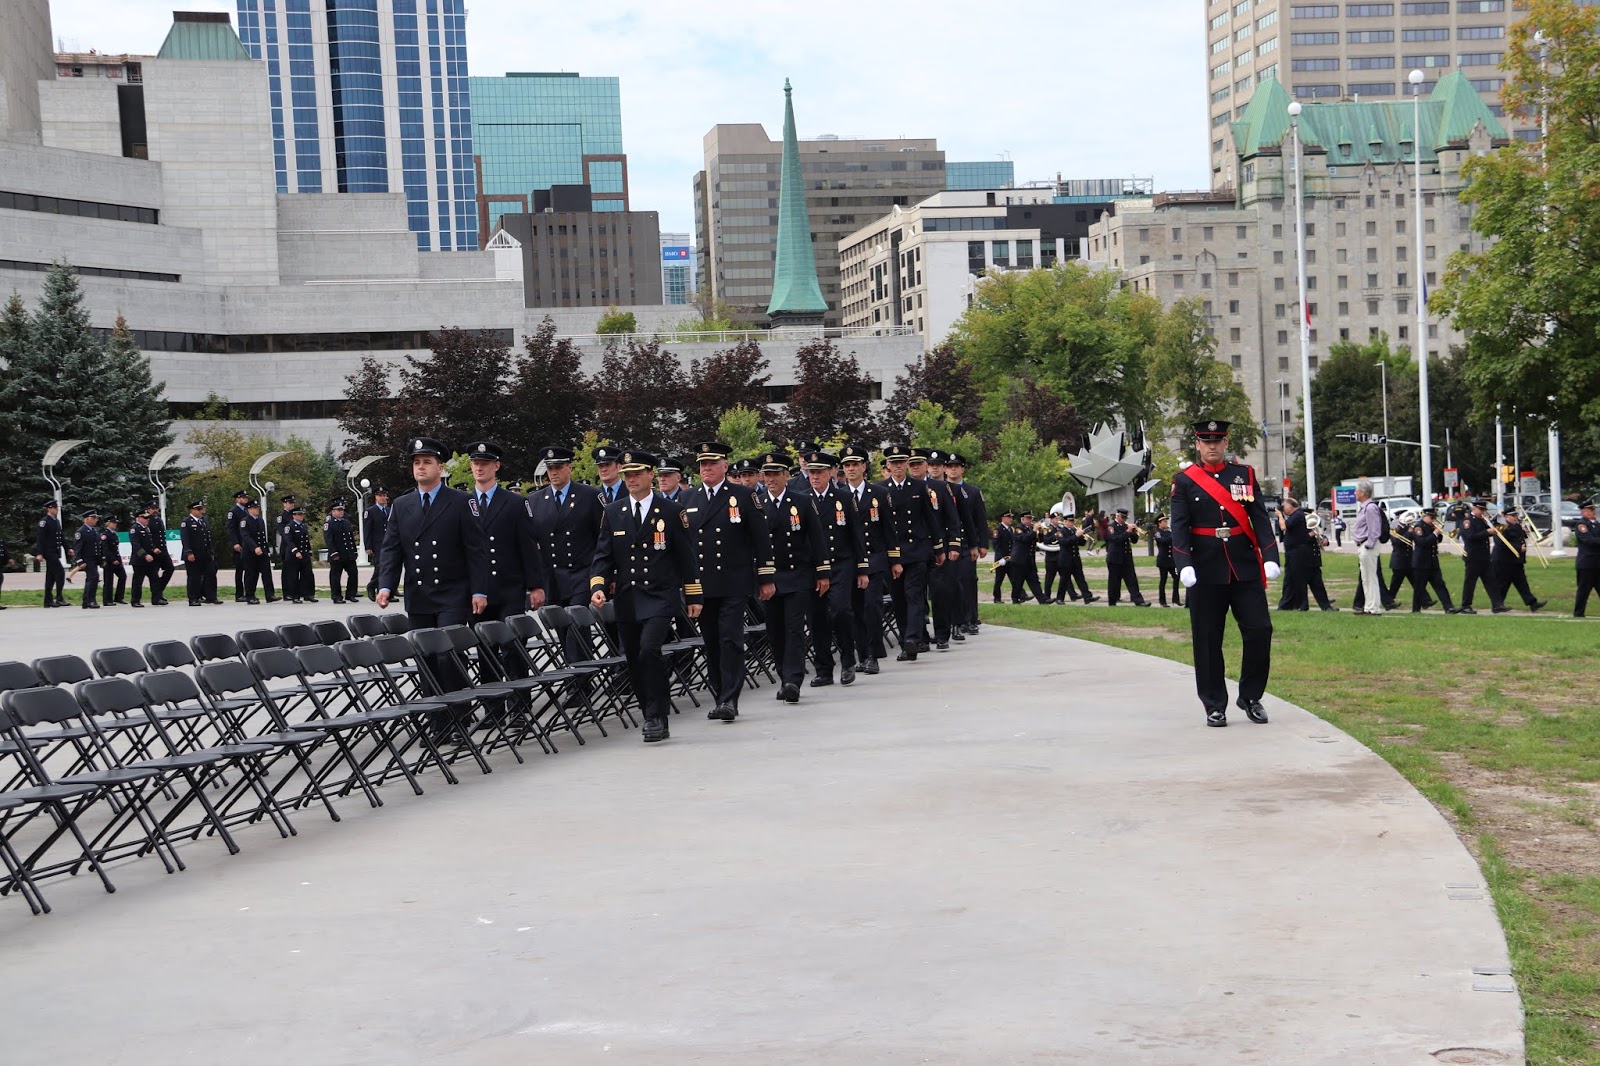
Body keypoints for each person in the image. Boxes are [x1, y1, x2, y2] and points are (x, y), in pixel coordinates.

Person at [1170, 419, 1280, 727]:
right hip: (1204, 570)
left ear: (1226, 443)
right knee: (1207, 639)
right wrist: (1184, 563)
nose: (1212, 446)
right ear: (1197, 445)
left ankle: (1251, 696)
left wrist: (1270, 556)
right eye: (1206, 441)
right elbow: (1179, 526)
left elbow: (1260, 518)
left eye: (1217, 441)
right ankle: (1214, 704)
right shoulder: (1184, 481)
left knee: (1260, 630)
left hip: (1243, 566)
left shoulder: (1244, 475)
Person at [376, 438, 491, 730]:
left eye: (427, 462)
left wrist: (479, 590)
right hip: (419, 594)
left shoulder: (461, 501)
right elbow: (391, 549)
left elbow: (476, 550)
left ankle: (459, 715)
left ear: (440, 468)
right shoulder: (402, 504)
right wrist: (386, 585)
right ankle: (437, 720)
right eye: (416, 462)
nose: (421, 467)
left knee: (448, 655)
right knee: (426, 657)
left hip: (453, 593)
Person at [588, 449, 702, 743]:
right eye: (627, 474)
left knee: (649, 650)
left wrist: (693, 595)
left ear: (651, 474)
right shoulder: (614, 512)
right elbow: (603, 556)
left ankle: (657, 715)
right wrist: (598, 586)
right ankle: (648, 710)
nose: (632, 479)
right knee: (634, 659)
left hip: (660, 595)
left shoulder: (670, 511)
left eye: (637, 473)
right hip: (628, 597)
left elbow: (686, 556)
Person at [686, 441, 775, 721]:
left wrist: (766, 577)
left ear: (725, 466)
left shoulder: (743, 496)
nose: (706, 468)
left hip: (734, 581)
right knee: (712, 642)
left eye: (712, 463)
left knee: (730, 640)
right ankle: (719, 695)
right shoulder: (688, 498)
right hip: (703, 584)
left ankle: (730, 699)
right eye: (702, 464)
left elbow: (761, 539)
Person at [760, 451, 829, 702]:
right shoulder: (757, 503)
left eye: (775, 474)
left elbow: (817, 538)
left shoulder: (801, 501)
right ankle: (783, 676)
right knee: (775, 631)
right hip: (770, 577)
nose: (770, 479)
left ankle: (793, 680)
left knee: (794, 629)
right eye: (767, 474)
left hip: (798, 574)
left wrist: (823, 572)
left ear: (786, 475)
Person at [462, 440, 546, 622]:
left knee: (511, 637)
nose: (479, 468)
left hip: (509, 588)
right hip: (476, 590)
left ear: (496, 465)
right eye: (476, 463)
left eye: (485, 463)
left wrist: (536, 585)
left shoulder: (515, 503)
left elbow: (528, 546)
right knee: (482, 638)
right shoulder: (463, 503)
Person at [803, 449, 863, 684]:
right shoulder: (802, 499)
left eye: (819, 472)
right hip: (813, 567)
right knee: (816, 617)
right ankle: (824, 669)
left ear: (830, 472)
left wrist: (862, 568)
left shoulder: (844, 498)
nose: (815, 477)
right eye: (811, 472)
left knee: (841, 611)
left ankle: (848, 660)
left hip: (840, 563)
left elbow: (856, 534)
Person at [840, 441, 896, 674]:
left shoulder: (879, 494)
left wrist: (895, 559)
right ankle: (863, 654)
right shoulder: (839, 495)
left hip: (875, 558)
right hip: (851, 562)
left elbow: (889, 528)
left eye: (855, 464)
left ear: (864, 467)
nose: (851, 469)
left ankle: (873, 653)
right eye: (847, 465)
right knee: (855, 609)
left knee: (872, 606)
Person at [881, 444, 939, 662]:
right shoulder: (880, 489)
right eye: (894, 463)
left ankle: (912, 639)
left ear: (906, 463)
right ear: (888, 465)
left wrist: (938, 547)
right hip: (892, 553)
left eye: (901, 462)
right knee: (898, 600)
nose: (898, 466)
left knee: (913, 595)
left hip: (916, 551)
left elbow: (930, 518)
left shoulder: (919, 487)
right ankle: (907, 640)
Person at [915, 448, 965, 649]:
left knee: (939, 592)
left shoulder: (940, 487)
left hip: (939, 548)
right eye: (912, 464)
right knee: (916, 595)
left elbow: (952, 519)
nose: (915, 468)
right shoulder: (905, 488)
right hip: (915, 549)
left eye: (919, 464)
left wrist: (954, 544)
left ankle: (942, 634)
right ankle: (920, 636)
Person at [944, 453, 989, 635]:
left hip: (966, 543)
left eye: (957, 466)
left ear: (962, 469)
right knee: (950, 583)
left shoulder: (972, 492)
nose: (953, 469)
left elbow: (980, 520)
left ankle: (970, 618)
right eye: (950, 466)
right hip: (947, 543)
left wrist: (982, 544)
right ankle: (955, 619)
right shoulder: (940, 489)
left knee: (968, 581)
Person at [1487, 510, 1547, 614]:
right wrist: (1519, 548)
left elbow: (1519, 536)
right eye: (1513, 516)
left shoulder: (1516, 525)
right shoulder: (1501, 526)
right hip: (1503, 561)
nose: (1515, 517)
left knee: (1522, 583)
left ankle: (1532, 603)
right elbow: (1501, 543)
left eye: (1516, 515)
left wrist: (1526, 532)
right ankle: (1497, 605)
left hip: (1516, 560)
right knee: (1502, 584)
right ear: (1506, 517)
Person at [1410, 511, 1461, 613]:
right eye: (1431, 518)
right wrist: (1435, 533)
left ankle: (1449, 607)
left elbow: (1438, 540)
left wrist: (1438, 532)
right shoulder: (1418, 527)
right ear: (1425, 516)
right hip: (1421, 562)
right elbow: (1423, 542)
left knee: (1440, 585)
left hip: (1433, 562)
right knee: (1419, 587)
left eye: (1434, 518)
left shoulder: (1431, 527)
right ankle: (1416, 609)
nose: (1433, 520)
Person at [1351, 480, 1386, 616]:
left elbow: (1374, 529)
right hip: (1362, 544)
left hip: (1367, 545)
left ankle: (1374, 608)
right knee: (1365, 578)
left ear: (1363, 493)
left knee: (1371, 577)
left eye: (1357, 491)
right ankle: (1368, 606)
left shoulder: (1370, 508)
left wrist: (1369, 544)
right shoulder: (1364, 507)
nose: (1355, 493)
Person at [1104, 509, 1150, 607]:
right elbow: (1115, 539)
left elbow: (1134, 541)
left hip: (1126, 559)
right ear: (1118, 516)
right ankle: (1112, 602)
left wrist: (1134, 532)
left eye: (1125, 518)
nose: (1125, 520)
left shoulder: (1125, 526)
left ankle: (1139, 601)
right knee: (1114, 582)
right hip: (1115, 559)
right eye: (1123, 517)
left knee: (1132, 580)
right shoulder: (1111, 527)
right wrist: (1127, 532)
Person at [180, 499, 221, 606]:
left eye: (201, 509)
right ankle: (193, 598)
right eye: (198, 509)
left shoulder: (203, 521)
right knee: (194, 577)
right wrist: (189, 553)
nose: (201, 511)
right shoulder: (187, 522)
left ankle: (211, 597)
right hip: (193, 554)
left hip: (205, 554)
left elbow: (208, 538)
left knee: (211, 574)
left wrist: (211, 552)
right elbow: (185, 539)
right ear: (192, 510)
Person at [1456, 499, 1493, 614]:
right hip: (1473, 556)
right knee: (1470, 582)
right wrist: (1488, 532)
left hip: (1484, 556)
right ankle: (1465, 605)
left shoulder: (1482, 520)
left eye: (1483, 510)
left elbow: (1489, 531)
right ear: (1474, 508)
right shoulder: (1467, 521)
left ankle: (1497, 604)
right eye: (1480, 509)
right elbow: (1470, 537)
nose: (1482, 512)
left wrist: (1492, 525)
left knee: (1491, 580)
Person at [323, 499, 360, 604]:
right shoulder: (329, 523)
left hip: (348, 554)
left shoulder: (346, 522)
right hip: (337, 554)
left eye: (342, 510)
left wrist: (354, 551)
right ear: (333, 511)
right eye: (338, 510)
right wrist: (333, 553)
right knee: (335, 576)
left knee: (353, 574)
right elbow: (329, 540)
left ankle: (351, 594)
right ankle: (336, 596)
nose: (341, 512)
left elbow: (350, 538)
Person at [238, 498, 275, 604]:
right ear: (249, 509)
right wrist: (254, 547)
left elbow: (262, 536)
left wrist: (265, 549)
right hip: (250, 552)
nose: (257, 509)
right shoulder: (245, 521)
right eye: (254, 508)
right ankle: (250, 596)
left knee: (267, 573)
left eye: (257, 507)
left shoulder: (260, 520)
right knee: (251, 574)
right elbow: (246, 536)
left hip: (262, 551)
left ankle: (270, 595)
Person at [35, 500, 69, 608]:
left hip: (55, 551)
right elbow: (40, 538)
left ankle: (48, 600)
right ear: (49, 509)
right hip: (48, 552)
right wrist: (39, 553)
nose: (57, 510)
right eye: (54, 508)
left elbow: (61, 537)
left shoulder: (56, 521)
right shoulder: (44, 522)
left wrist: (68, 548)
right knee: (60, 572)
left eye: (56, 507)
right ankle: (59, 598)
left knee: (50, 576)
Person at [1009, 512, 1049, 605]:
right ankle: (1015, 599)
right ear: (1022, 519)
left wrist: (1041, 532)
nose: (1030, 520)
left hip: (1029, 560)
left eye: (1031, 518)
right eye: (1028, 518)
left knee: (1034, 580)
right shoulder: (1019, 528)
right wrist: (1034, 530)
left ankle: (1042, 600)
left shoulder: (1030, 529)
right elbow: (1025, 539)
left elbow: (1040, 541)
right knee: (1018, 582)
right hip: (1019, 559)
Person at [1056, 515, 1095, 603]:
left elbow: (1081, 543)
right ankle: (1059, 598)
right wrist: (1076, 536)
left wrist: (1083, 536)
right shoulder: (1061, 531)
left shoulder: (1074, 531)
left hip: (1075, 559)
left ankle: (1087, 597)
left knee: (1081, 579)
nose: (1072, 523)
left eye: (1073, 521)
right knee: (1064, 580)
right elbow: (1064, 542)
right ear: (1065, 522)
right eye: (1070, 521)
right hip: (1066, 560)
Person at [143, 500, 175, 605]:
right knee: (154, 575)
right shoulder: (147, 520)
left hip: (162, 551)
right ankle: (156, 598)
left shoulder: (158, 519)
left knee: (170, 568)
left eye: (156, 508)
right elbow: (147, 538)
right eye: (153, 508)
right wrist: (153, 548)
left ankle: (158, 590)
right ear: (148, 509)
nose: (155, 510)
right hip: (153, 552)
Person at [128, 509, 160, 608]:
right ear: (138, 518)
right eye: (145, 518)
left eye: (148, 518)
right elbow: (136, 545)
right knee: (138, 581)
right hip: (139, 560)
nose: (147, 520)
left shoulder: (146, 528)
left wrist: (154, 548)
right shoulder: (134, 529)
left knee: (155, 579)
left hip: (150, 559)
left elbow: (149, 542)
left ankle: (156, 599)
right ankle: (135, 600)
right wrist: (145, 555)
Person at [285, 506, 316, 603]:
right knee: (294, 576)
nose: (301, 516)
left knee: (307, 575)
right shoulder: (289, 527)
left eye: (302, 514)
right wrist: (295, 551)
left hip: (304, 554)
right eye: (299, 514)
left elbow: (306, 540)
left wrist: (309, 551)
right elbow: (289, 541)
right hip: (293, 555)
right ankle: (295, 596)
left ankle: (308, 594)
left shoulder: (303, 526)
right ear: (294, 516)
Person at [364, 487, 390, 601]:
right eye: (380, 496)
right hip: (377, 544)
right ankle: (371, 586)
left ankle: (383, 592)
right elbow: (367, 529)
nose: (383, 498)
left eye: (384, 495)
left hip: (389, 543)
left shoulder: (389, 510)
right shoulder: (370, 511)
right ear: (376, 497)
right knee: (380, 567)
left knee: (388, 567)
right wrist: (368, 546)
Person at [1573, 501, 1599, 618]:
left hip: (1597, 562)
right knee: (1584, 590)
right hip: (1587, 563)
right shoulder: (1582, 525)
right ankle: (1579, 613)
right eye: (1591, 510)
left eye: (1594, 510)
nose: (1594, 512)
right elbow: (1588, 540)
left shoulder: (1597, 524)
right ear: (1584, 512)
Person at [73, 508, 103, 609]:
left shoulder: (94, 531)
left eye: (96, 518)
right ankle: (91, 600)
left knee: (92, 578)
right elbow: (78, 548)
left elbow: (97, 546)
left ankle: (86, 601)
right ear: (86, 519)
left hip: (94, 559)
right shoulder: (81, 531)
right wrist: (79, 561)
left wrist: (101, 559)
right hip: (87, 559)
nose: (95, 520)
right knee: (93, 577)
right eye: (93, 518)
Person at [226, 488, 251, 601]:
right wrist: (235, 543)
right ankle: (239, 594)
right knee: (240, 570)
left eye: (246, 497)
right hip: (239, 544)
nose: (246, 499)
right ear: (237, 499)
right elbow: (231, 529)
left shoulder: (247, 510)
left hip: (247, 544)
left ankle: (248, 592)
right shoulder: (233, 512)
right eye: (243, 498)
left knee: (248, 569)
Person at [276, 494, 300, 602]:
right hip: (287, 547)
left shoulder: (295, 514)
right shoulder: (282, 516)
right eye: (289, 503)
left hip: (297, 546)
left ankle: (297, 592)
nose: (292, 505)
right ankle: (287, 593)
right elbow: (283, 532)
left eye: (292, 503)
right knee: (287, 571)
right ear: (284, 504)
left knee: (296, 571)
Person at [1154, 514, 1182, 607]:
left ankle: (1176, 599)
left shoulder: (1169, 532)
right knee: (1163, 580)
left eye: (1166, 521)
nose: (1166, 523)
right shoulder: (1157, 533)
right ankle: (1162, 601)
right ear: (1159, 523)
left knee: (1176, 578)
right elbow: (1162, 541)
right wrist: (1173, 536)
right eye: (1164, 522)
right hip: (1163, 559)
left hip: (1171, 560)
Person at [99, 515, 127, 606]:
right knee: (108, 580)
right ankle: (107, 600)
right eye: (113, 523)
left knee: (123, 576)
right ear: (108, 523)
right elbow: (105, 549)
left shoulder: (114, 534)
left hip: (116, 559)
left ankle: (119, 597)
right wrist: (112, 559)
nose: (115, 524)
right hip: (109, 560)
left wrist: (117, 559)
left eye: (115, 523)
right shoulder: (105, 534)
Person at [991, 511, 1015, 604]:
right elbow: (996, 546)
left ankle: (1019, 596)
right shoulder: (998, 530)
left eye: (1011, 517)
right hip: (1001, 560)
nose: (1011, 519)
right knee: (999, 580)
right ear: (1003, 518)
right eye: (1009, 517)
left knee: (1014, 579)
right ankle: (997, 598)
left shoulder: (1010, 529)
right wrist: (1001, 558)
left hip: (1010, 559)